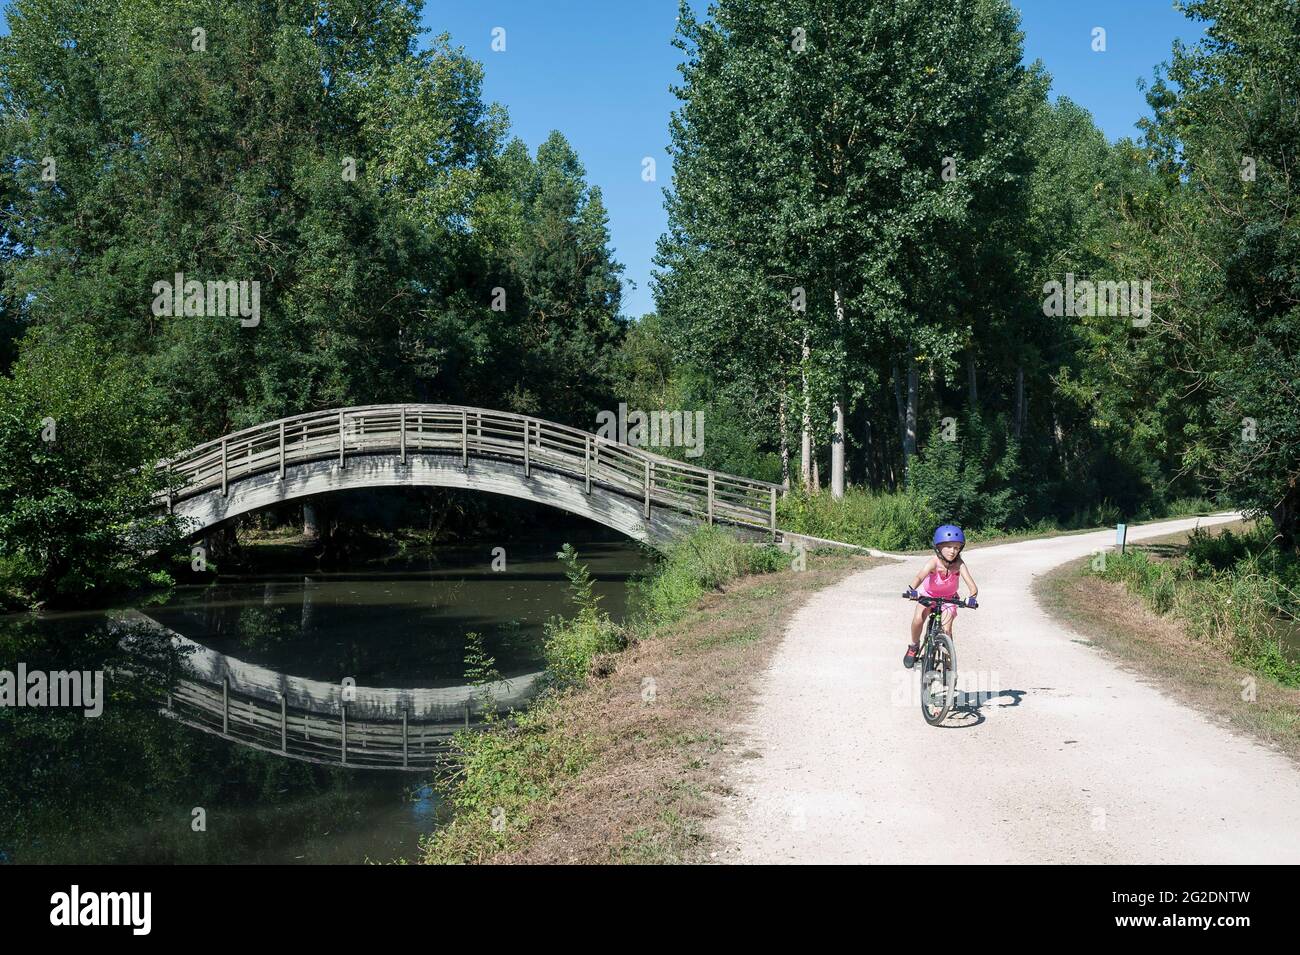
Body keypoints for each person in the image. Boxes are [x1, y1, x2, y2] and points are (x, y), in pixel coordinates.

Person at [903, 524, 978, 668]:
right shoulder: (933, 562)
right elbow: (919, 577)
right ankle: (913, 646)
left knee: (947, 630)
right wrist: (911, 589)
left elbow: (972, 586)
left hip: (949, 599)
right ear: (938, 547)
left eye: (956, 547)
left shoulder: (959, 564)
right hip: (928, 596)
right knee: (918, 619)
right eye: (949, 547)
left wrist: (972, 597)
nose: (953, 551)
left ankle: (950, 666)